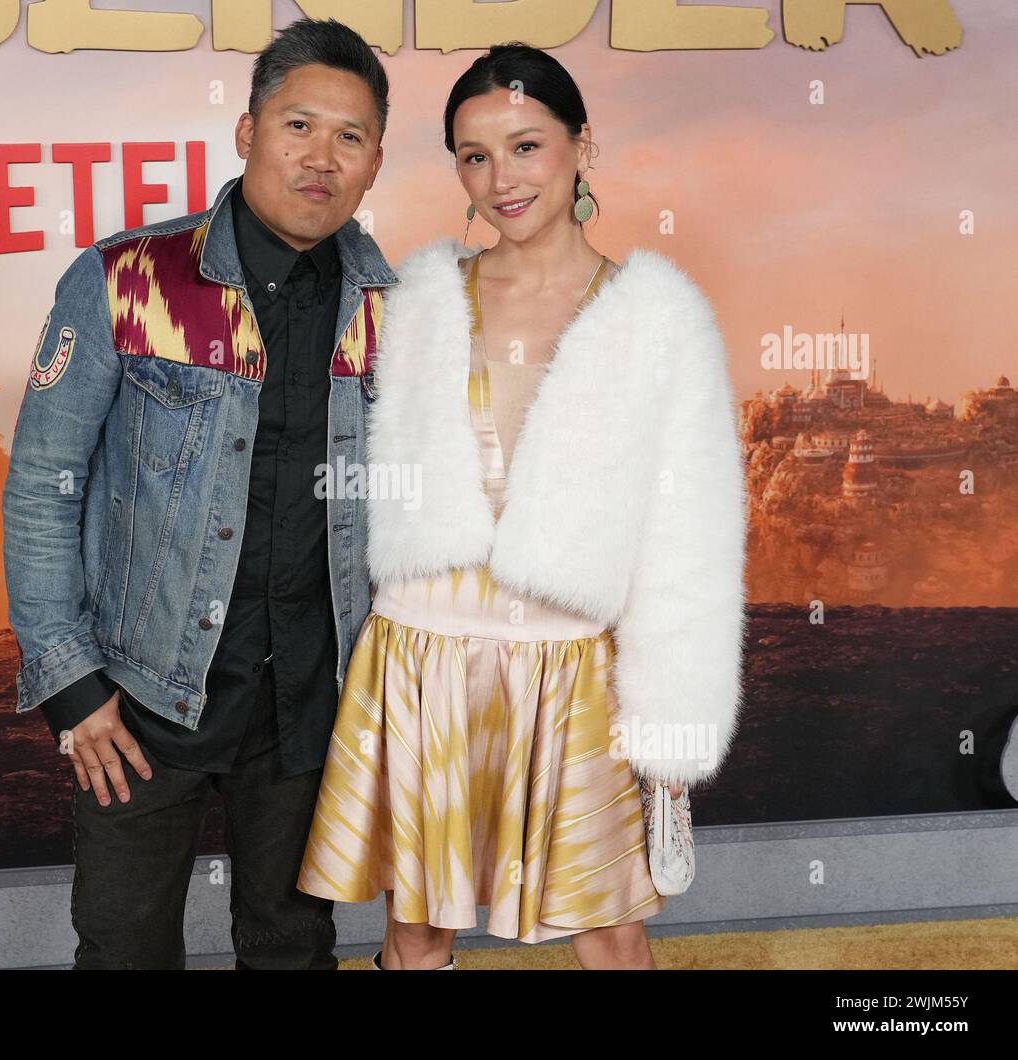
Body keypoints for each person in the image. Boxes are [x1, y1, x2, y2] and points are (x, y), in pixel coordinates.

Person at [297, 43, 748, 970]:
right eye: (475, 155)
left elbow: (692, 537)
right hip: (419, 654)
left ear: (582, 145)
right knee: (415, 928)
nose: (501, 178)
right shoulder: (417, 300)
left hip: (573, 666)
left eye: (526, 146)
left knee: (610, 930)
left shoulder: (658, 317)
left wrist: (671, 722)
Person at [1, 17, 397, 969]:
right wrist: (71, 688)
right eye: (298, 126)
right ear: (248, 131)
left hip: (309, 706)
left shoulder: (399, 311)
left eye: (349, 137)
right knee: (125, 951)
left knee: (292, 947)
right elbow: (42, 490)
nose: (321, 159)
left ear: (375, 163)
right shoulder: (126, 279)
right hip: (138, 702)